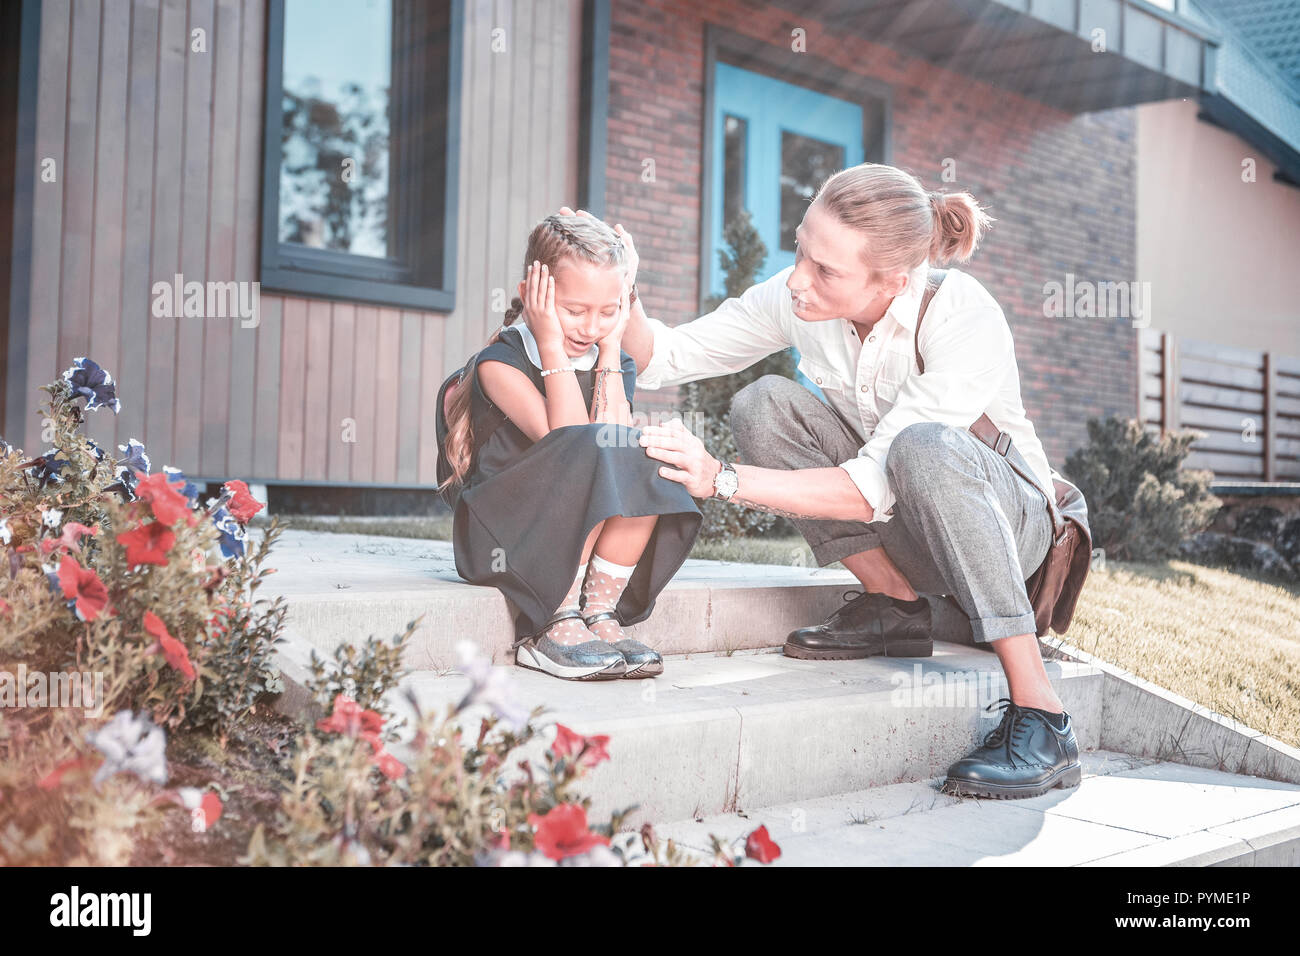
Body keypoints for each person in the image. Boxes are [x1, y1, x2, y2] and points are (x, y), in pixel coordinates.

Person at [594, 163, 1084, 799]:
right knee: (763, 402)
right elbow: (667, 355)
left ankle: (1043, 715)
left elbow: (870, 486)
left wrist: (722, 479)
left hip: (1007, 531)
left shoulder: (962, 314)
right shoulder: (800, 298)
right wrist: (619, 291)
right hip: (910, 518)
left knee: (925, 445)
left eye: (826, 270)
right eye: (801, 248)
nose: (799, 278)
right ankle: (896, 606)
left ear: (894, 281)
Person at [441, 214, 702, 682]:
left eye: (607, 311)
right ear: (534, 294)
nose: (590, 326)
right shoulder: (502, 362)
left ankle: (597, 612)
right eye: (575, 309)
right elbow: (569, 445)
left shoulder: (611, 354)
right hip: (504, 536)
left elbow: (615, 456)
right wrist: (549, 341)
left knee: (643, 456)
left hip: (561, 524)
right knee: (590, 447)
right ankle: (552, 621)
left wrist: (611, 349)